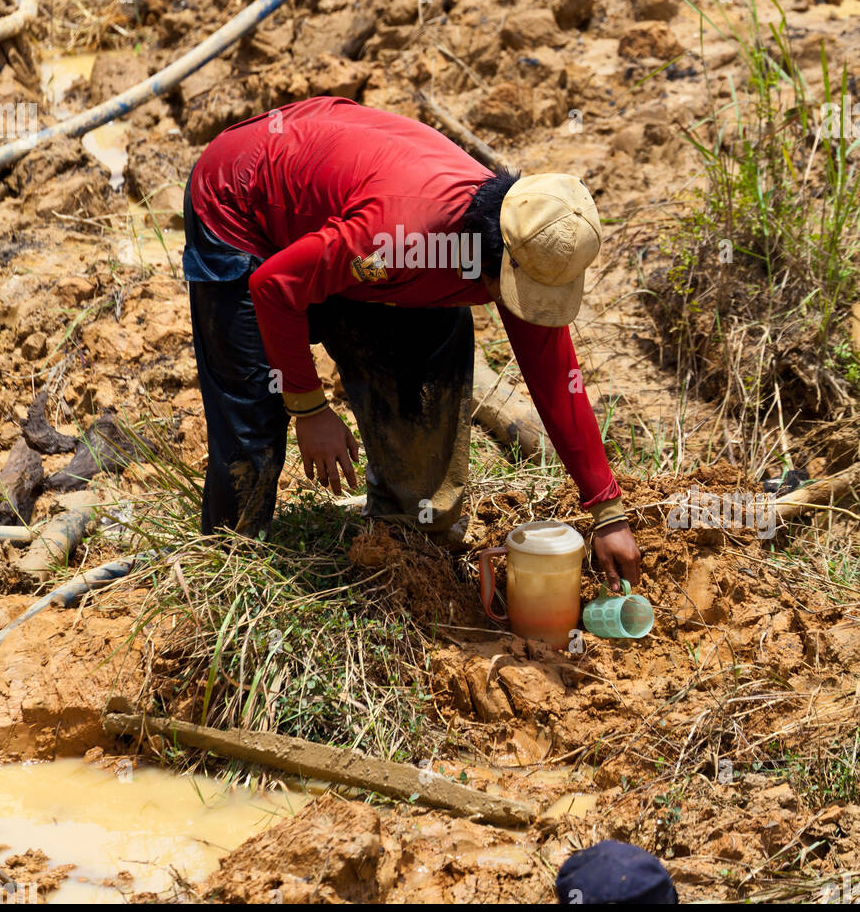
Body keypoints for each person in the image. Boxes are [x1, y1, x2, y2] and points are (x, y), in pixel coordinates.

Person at [182, 95, 641, 588]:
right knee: (254, 417)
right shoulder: (397, 241)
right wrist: (309, 408)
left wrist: (607, 511)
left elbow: (555, 376)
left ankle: (405, 537)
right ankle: (231, 567)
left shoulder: (524, 236)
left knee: (431, 341)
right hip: (242, 198)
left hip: (345, 203)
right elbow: (275, 286)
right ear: (498, 257)